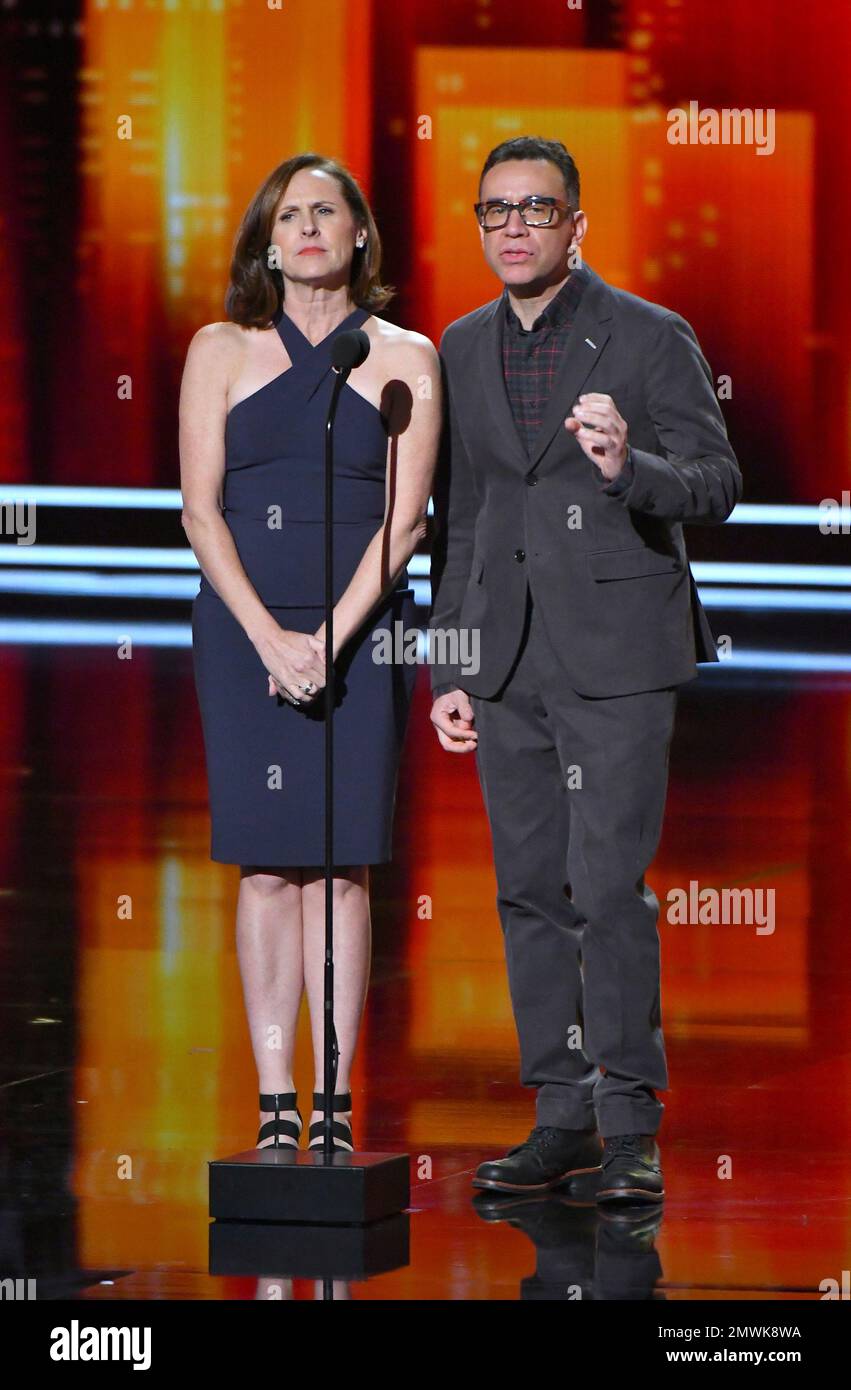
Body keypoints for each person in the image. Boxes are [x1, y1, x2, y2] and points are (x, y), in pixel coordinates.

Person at [428, 135, 741, 1203]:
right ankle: (558, 1114)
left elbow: (714, 482)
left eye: (536, 208)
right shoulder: (460, 345)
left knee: (606, 890)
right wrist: (451, 665)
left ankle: (628, 1123)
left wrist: (626, 468)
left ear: (576, 223)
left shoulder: (648, 337)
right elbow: (463, 516)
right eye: (495, 210)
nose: (513, 226)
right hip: (505, 659)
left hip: (614, 655)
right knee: (526, 892)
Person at [180, 153, 440, 1152]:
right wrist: (266, 637)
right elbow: (202, 513)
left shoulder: (405, 357)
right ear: (267, 238)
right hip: (243, 631)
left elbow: (402, 523)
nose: (308, 229)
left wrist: (327, 641)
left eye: (326, 212)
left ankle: (334, 1104)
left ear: (360, 233)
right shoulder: (221, 349)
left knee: (339, 867)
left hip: (359, 634)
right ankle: (275, 1102)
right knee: (266, 868)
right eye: (289, 216)